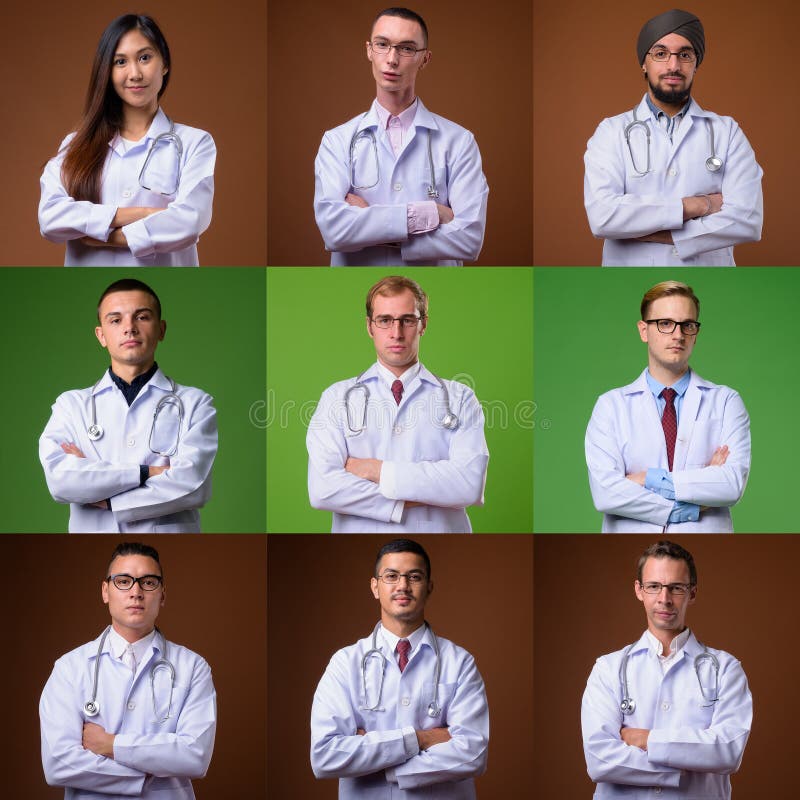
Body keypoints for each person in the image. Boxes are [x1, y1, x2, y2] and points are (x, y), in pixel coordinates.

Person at [306, 275, 489, 532]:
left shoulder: (461, 398)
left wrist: (376, 470)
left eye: (407, 320)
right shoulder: (337, 397)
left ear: (423, 324)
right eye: (385, 321)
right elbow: (323, 490)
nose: (396, 333)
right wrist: (427, 489)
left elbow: (468, 485)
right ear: (370, 327)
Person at [310, 538, 489, 797]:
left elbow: (473, 754)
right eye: (391, 576)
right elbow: (325, 756)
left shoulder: (459, 662)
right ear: (375, 586)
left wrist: (374, 758)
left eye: (414, 577)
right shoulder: (344, 663)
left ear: (429, 587)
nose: (403, 585)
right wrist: (421, 739)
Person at [583, 9, 763, 266]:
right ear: (644, 63)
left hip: (710, 282)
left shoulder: (727, 132)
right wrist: (699, 205)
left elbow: (747, 221)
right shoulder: (610, 132)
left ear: (696, 63)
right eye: (660, 53)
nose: (673, 66)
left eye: (685, 55)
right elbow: (603, 217)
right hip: (628, 282)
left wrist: (650, 230)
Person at [313, 7, 488, 266]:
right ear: (369, 50)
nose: (392, 59)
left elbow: (469, 240)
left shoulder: (459, 141)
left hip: (439, 290)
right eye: (382, 44)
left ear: (425, 59)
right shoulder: (337, 141)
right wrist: (429, 214)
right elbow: (334, 231)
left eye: (406, 49)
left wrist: (370, 219)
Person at [40, 541, 216, 798]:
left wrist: (111, 745)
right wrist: (146, 775)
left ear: (163, 594)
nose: (136, 592)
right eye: (123, 581)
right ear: (105, 591)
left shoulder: (193, 667)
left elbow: (195, 756)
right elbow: (59, 764)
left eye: (148, 582)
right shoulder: (70, 668)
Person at [39, 278, 217, 532]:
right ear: (101, 335)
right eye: (115, 320)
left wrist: (107, 498)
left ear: (161, 329)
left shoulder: (195, 403)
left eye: (142, 317)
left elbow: (193, 485)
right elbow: (61, 480)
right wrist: (148, 472)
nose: (129, 328)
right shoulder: (70, 405)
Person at [39, 14, 215, 266]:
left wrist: (111, 236)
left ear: (164, 63)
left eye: (144, 58)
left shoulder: (195, 143)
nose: (134, 73)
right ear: (107, 72)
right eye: (120, 62)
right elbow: (50, 217)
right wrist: (141, 213)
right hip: (89, 294)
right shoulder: (75, 145)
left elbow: (189, 222)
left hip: (165, 292)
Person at [581, 540, 752, 798]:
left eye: (676, 588)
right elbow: (599, 759)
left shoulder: (726, 669)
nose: (664, 598)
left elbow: (727, 751)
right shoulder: (608, 668)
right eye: (654, 586)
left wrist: (646, 740)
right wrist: (682, 767)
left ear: (692, 593)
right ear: (639, 590)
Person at [585, 281, 750, 532]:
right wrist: (696, 500)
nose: (678, 335)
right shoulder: (610, 406)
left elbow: (731, 485)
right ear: (643, 331)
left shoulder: (726, 401)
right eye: (665, 323)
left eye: (688, 325)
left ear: (696, 332)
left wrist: (646, 478)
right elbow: (606, 493)